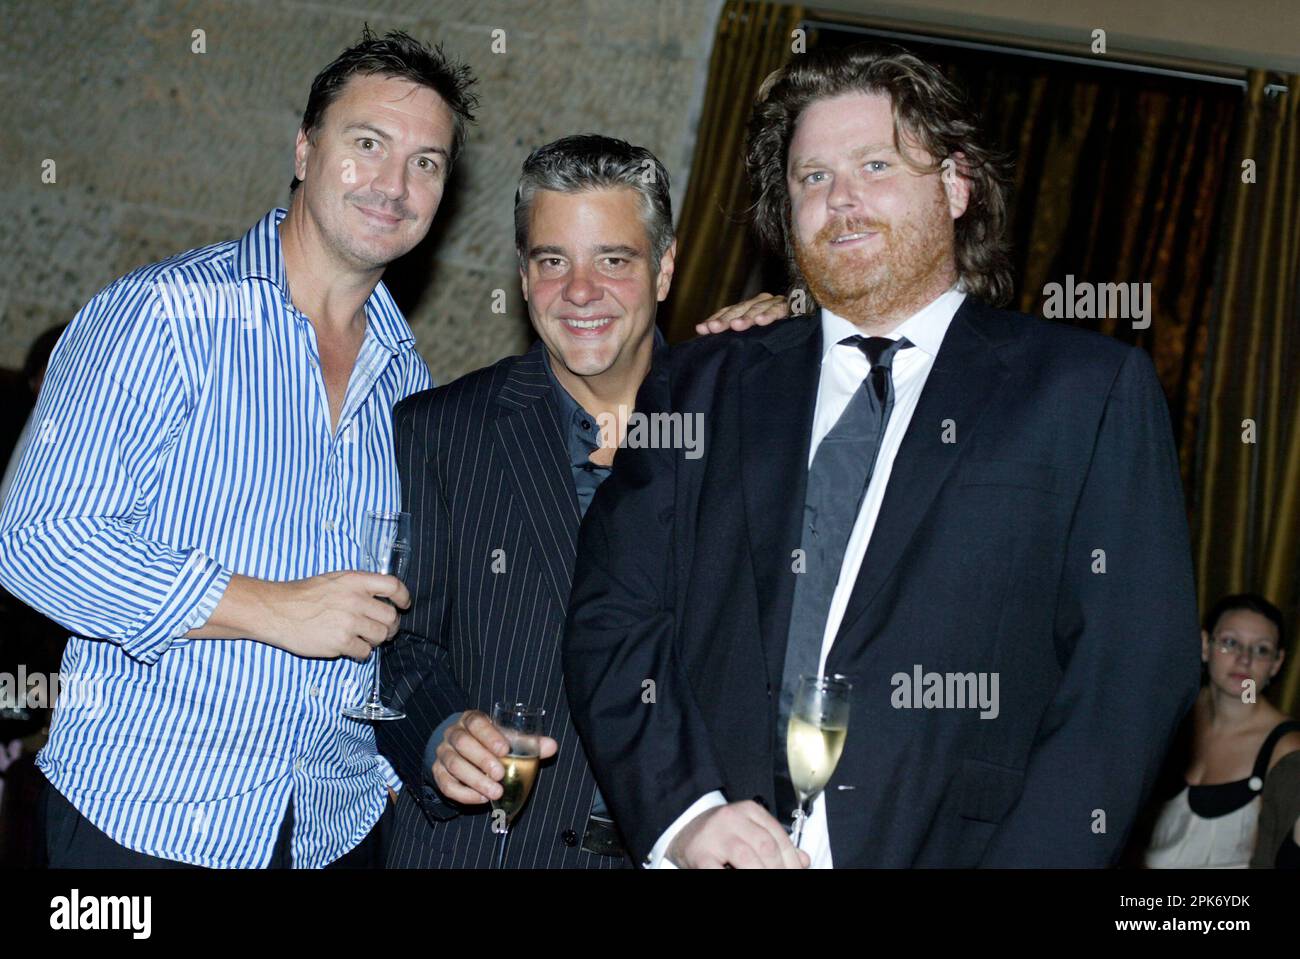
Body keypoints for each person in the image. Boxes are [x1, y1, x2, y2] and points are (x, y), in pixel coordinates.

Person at [563, 43, 1201, 868]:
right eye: (812, 177)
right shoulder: (698, 384)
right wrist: (686, 813)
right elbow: (612, 616)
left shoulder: (1085, 391)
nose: (842, 199)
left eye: (876, 164)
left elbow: (1132, 673)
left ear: (957, 184)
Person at [0, 27, 475, 868]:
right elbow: (37, 541)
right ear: (303, 149)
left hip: (331, 827)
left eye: (427, 162)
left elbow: (380, 615)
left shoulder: (408, 376)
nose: (395, 184)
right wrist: (273, 607)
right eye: (368, 143)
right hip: (147, 825)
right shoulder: (165, 314)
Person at [376, 134, 787, 868]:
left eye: (615, 260)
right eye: (552, 260)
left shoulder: (750, 424)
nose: (581, 291)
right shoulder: (440, 431)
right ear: (524, 274)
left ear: (664, 269)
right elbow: (399, 650)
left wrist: (803, 316)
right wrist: (440, 735)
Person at [1140, 594, 1300, 868]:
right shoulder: (1170, 713)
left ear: (1276, 662)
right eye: (1230, 643)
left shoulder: (1287, 747)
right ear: (1205, 645)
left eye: (1261, 649)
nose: (1244, 659)